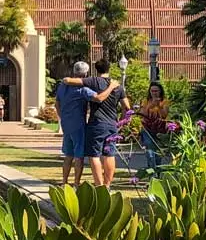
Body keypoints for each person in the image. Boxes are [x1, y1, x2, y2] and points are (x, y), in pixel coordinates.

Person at [84, 59, 130, 189]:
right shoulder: (118, 87)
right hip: (112, 125)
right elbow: (127, 107)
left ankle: (99, 185)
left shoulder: (93, 82)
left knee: (94, 155)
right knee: (109, 154)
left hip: (96, 124)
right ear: (109, 69)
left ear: (96, 69)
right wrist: (122, 121)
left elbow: (77, 83)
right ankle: (108, 184)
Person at [54, 62, 94, 186]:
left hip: (66, 123)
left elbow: (57, 104)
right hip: (79, 124)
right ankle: (76, 183)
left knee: (68, 154)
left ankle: (64, 181)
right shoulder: (82, 89)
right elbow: (98, 97)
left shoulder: (62, 86)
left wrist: (62, 117)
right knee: (79, 155)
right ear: (85, 73)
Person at [137, 82, 169, 163]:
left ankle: (157, 172)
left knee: (158, 153)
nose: (154, 93)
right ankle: (151, 171)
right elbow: (141, 114)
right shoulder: (145, 101)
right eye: (152, 91)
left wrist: (159, 106)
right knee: (150, 150)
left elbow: (164, 115)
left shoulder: (164, 102)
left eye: (156, 91)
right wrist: (150, 105)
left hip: (159, 129)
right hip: (147, 128)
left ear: (160, 91)